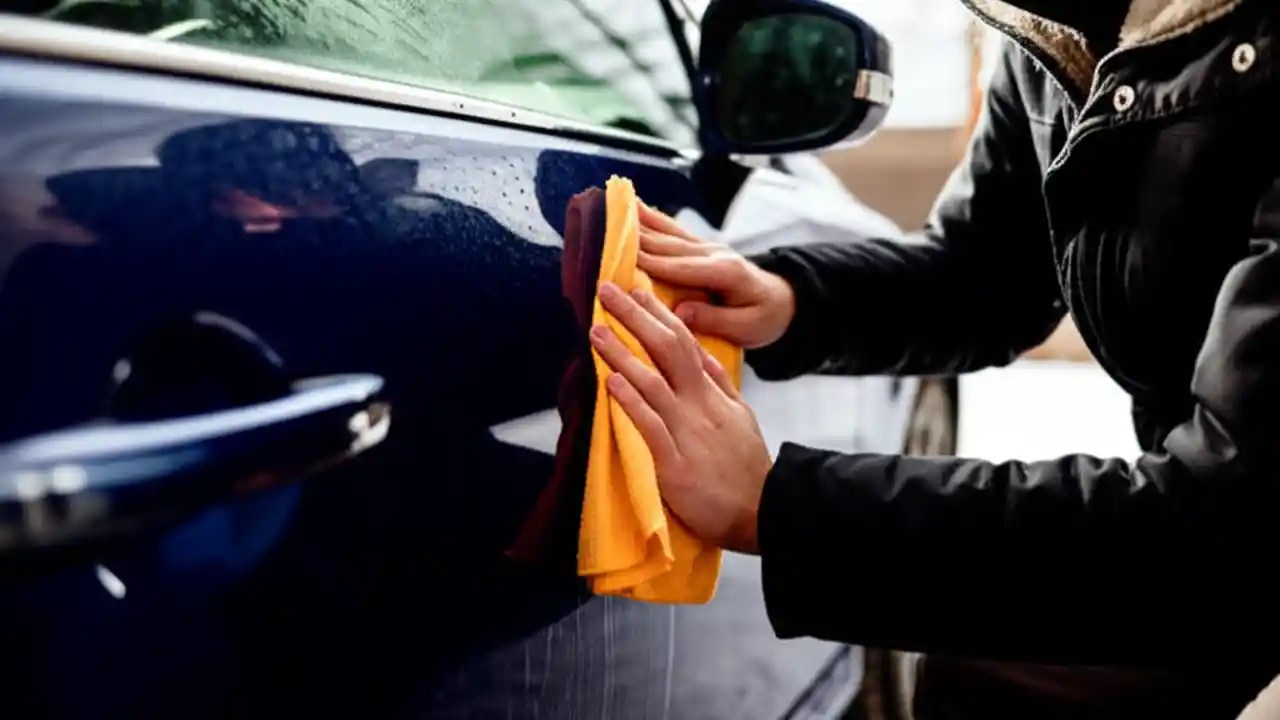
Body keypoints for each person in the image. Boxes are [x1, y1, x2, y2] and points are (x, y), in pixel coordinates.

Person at [585, 0, 1280, 717]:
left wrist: (781, 507)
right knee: (981, 682)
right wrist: (797, 296)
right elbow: (990, 270)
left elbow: (1234, 518)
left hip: (1243, 551)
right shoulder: (1053, 33)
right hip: (1223, 546)